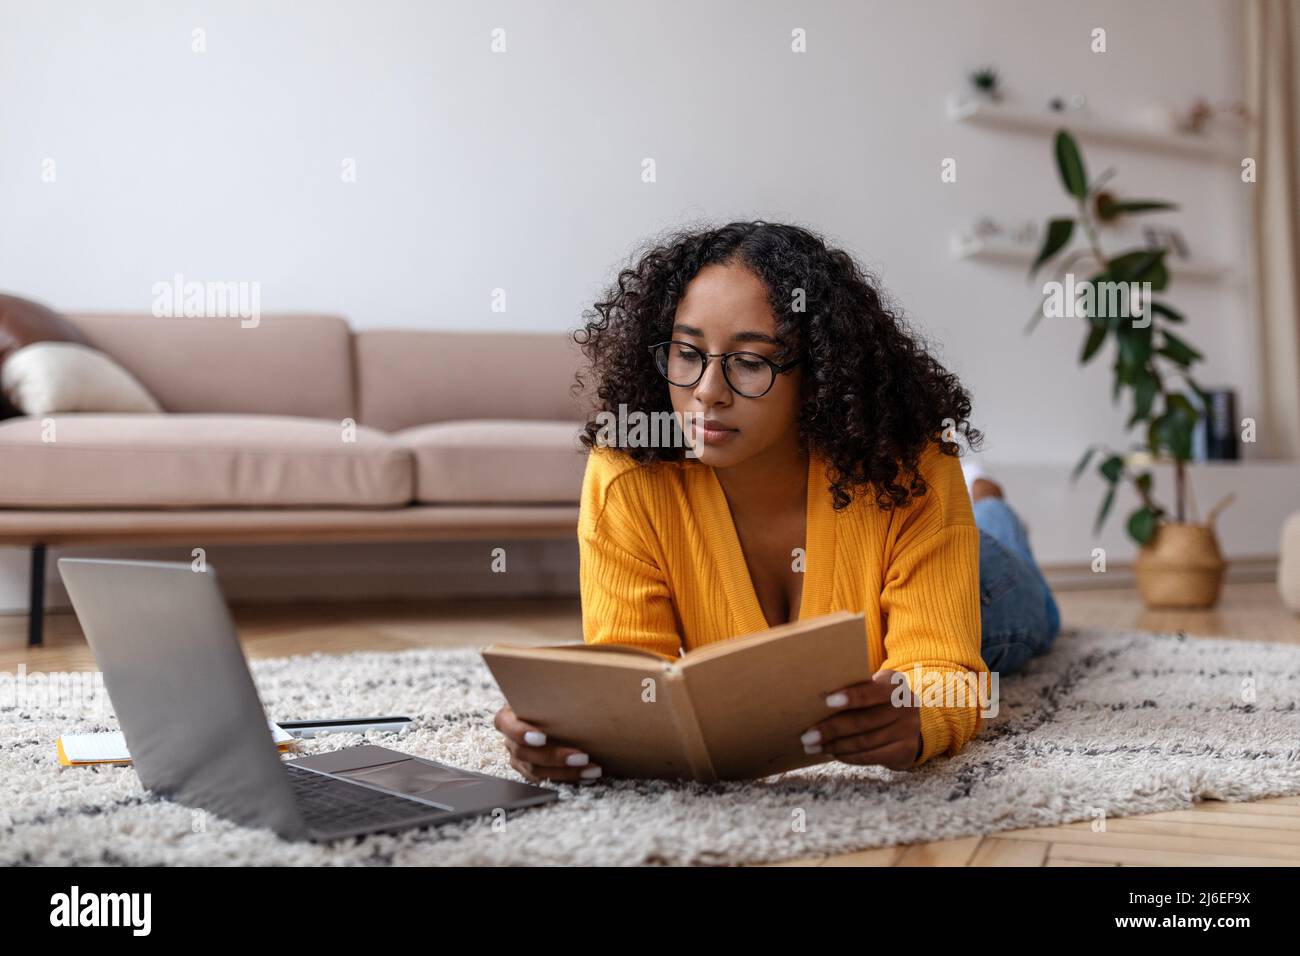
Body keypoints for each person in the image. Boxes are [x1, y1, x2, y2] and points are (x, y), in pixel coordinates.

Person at [493, 221, 1060, 784]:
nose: (707, 392)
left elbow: (948, 672)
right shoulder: (628, 474)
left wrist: (920, 715)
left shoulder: (911, 474)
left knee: (1024, 607)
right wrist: (577, 729)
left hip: (987, 589)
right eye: (687, 353)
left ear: (817, 372)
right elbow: (635, 672)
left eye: (750, 362)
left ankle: (986, 502)